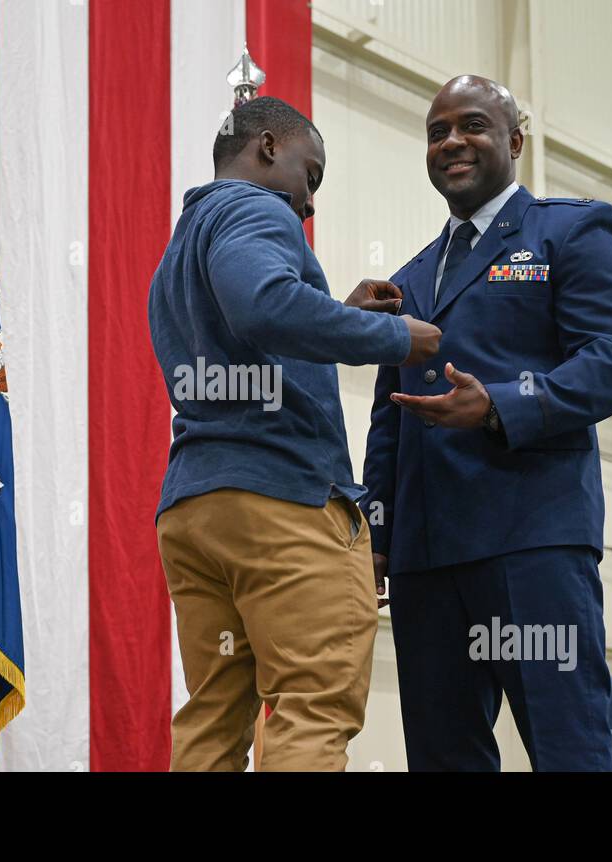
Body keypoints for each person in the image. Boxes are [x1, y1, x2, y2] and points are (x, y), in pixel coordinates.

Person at [361, 75, 612, 771]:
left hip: (532, 541)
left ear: (515, 139)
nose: (452, 141)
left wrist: (499, 404)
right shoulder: (408, 277)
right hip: (427, 559)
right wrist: (375, 536)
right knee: (442, 754)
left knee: (566, 744)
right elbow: (388, 422)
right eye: (437, 132)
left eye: (472, 125)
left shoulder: (574, 229)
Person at [148, 96, 441, 771]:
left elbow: (249, 344)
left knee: (213, 715)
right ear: (270, 147)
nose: (308, 204)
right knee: (313, 705)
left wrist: (334, 314)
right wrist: (392, 335)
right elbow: (264, 305)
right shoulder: (256, 210)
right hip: (282, 502)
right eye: (311, 176)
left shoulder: (180, 250)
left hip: (197, 508)